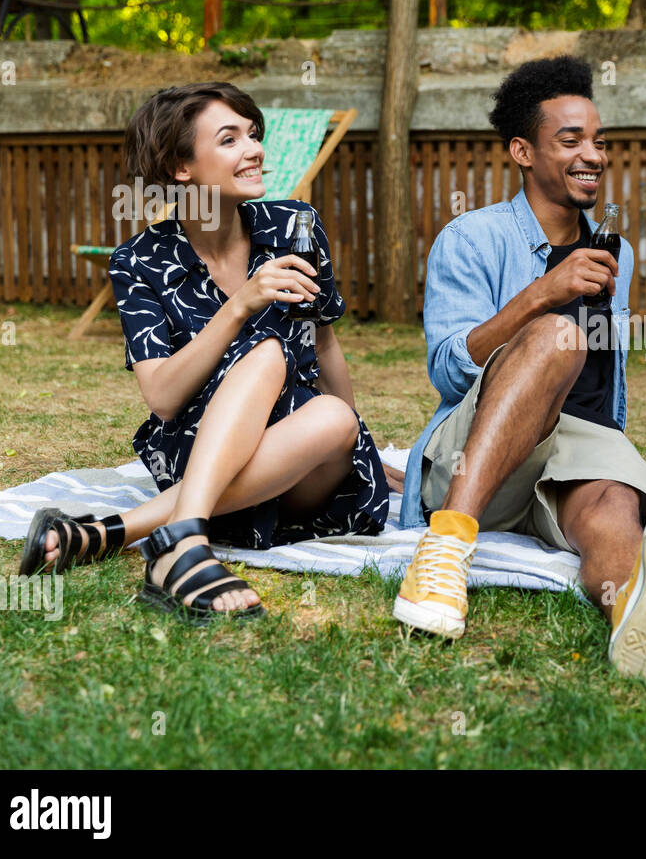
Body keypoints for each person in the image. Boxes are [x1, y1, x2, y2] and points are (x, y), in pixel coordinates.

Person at [20, 82, 397, 624]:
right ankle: (184, 539)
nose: (254, 148)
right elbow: (165, 398)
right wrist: (240, 304)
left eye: (253, 134)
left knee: (337, 417)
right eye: (229, 139)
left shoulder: (295, 227)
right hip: (197, 447)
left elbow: (324, 340)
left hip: (298, 453)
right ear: (181, 168)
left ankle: (120, 533)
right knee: (265, 353)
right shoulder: (139, 260)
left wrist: (359, 446)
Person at [397, 55, 646, 678]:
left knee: (613, 511)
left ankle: (631, 609)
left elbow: (604, 385)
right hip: (481, 458)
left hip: (575, 453)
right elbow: (447, 371)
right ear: (522, 151)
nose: (593, 154)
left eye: (599, 141)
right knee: (557, 339)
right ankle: (444, 550)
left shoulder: (611, 248)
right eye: (570, 140)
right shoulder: (471, 238)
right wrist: (541, 295)